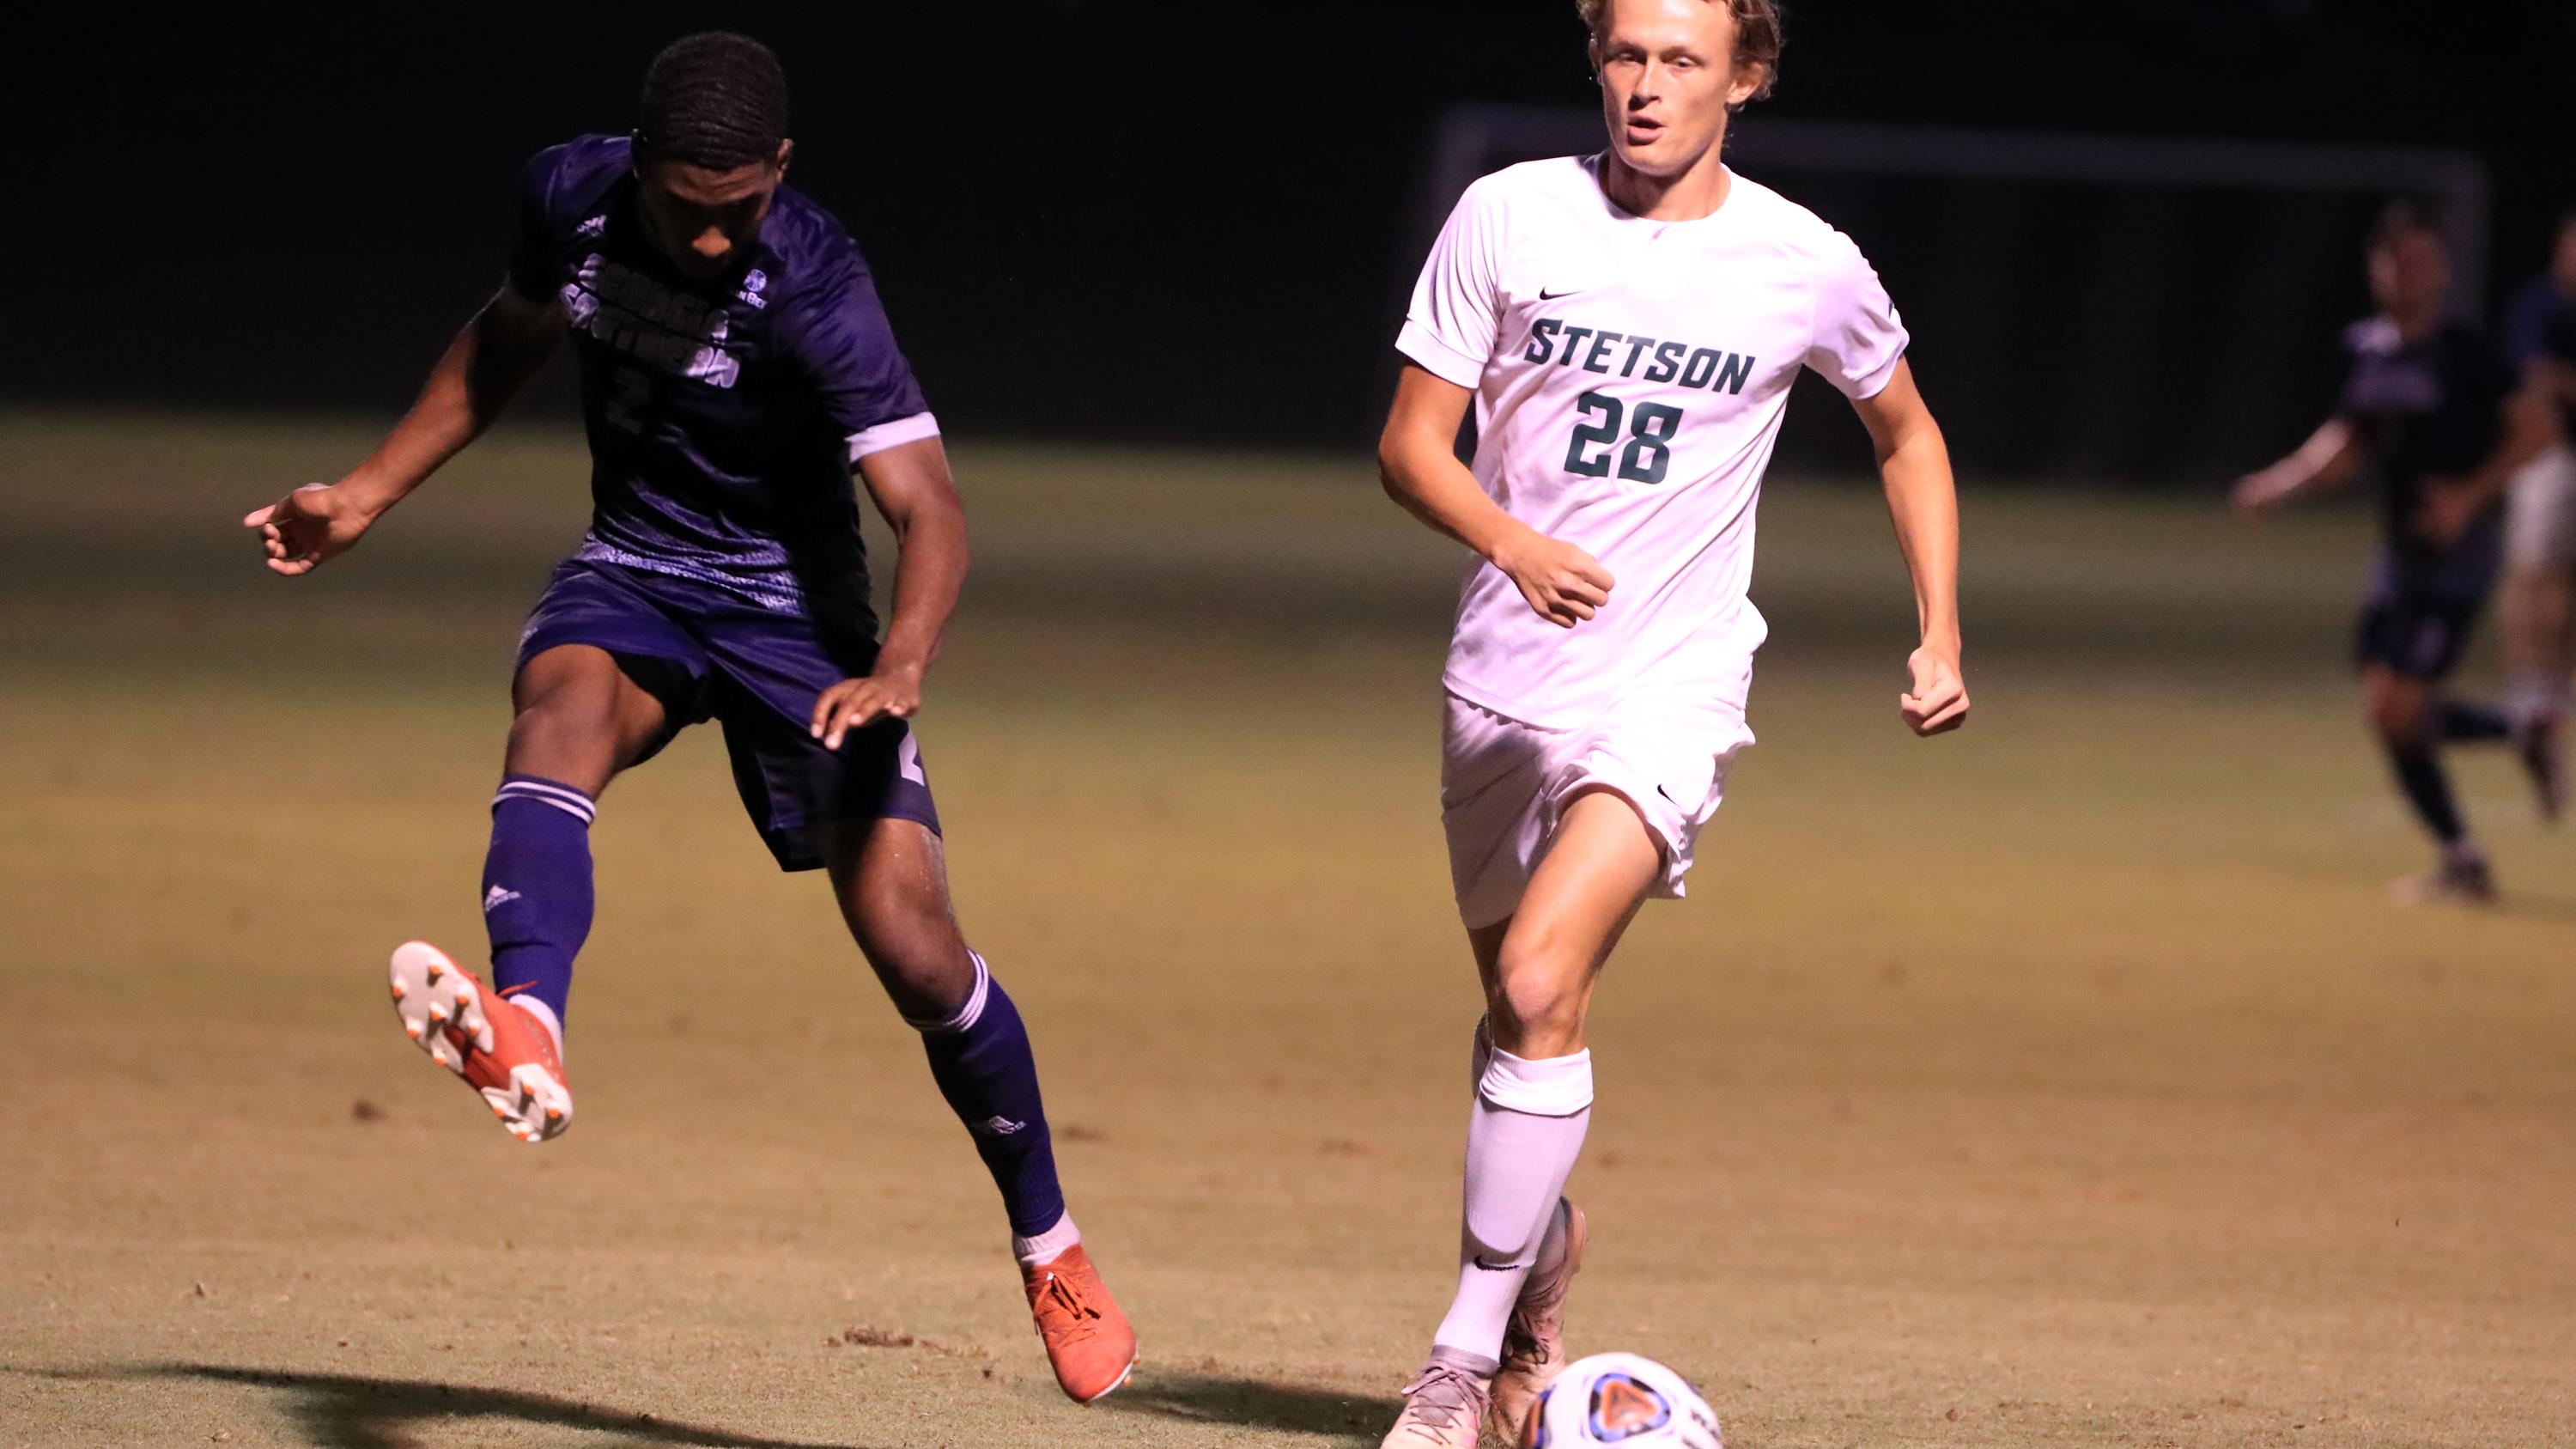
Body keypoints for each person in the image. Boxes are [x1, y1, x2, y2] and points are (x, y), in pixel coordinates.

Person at [237, 32, 1136, 1403]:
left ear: (783, 169)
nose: (711, 244)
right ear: (637, 166)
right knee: (558, 708)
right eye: (681, 209)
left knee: (913, 946)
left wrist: (899, 661)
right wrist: (364, 490)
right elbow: (511, 335)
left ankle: (1051, 1242)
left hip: (802, 622)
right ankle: (528, 1017)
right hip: (638, 572)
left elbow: (929, 504)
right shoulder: (566, 196)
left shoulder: (819, 284)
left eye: (740, 210)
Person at [1370, 1, 1968, 1442]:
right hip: (1501, 685)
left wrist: (1940, 622)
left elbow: (1908, 431)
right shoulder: (1509, 217)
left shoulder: (1802, 263)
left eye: (1683, 61)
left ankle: (1453, 1364)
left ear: (1745, 79)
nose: (1646, 88)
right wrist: (1512, 543)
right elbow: (1407, 447)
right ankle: (1538, 1275)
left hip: (1672, 685)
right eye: (1627, 56)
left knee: (1533, 980)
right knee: (1520, 1022)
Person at [2235, 200, 2555, 903]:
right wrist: (2276, 486)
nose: (2407, 274)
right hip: (2399, 555)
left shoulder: (2466, 352)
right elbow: (2347, 447)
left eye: (2420, 260)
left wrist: (2468, 498)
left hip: (2459, 554)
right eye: (2394, 260)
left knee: (2402, 710)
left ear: (2440, 270)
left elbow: (2536, 429)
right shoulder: (2369, 349)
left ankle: (2470, 850)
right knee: (2386, 712)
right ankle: (2513, 747)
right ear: (2375, 268)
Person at [2495, 209, 2576, 815]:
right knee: (2533, 575)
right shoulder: (2540, 307)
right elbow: (2535, 381)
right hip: (2551, 456)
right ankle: (2533, 699)